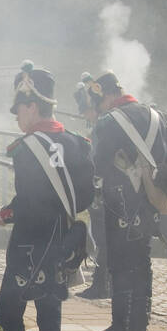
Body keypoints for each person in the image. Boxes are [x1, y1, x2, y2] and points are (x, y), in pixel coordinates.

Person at [0, 62, 93, 331]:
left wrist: (4, 214)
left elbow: (29, 202)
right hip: (62, 240)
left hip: (30, 243)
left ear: (32, 105)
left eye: (19, 109)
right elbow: (87, 196)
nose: (17, 117)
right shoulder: (78, 143)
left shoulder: (27, 148)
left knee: (6, 311)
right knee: (50, 312)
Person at [85, 72, 167, 331]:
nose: (99, 108)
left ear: (105, 96)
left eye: (98, 102)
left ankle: (121, 325)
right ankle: (139, 327)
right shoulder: (156, 117)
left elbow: (98, 164)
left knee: (119, 264)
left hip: (119, 203)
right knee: (142, 262)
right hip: (149, 202)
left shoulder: (108, 121)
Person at [74, 73, 110, 300]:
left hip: (103, 194)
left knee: (103, 239)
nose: (85, 115)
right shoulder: (100, 127)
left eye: (86, 110)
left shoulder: (102, 128)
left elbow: (97, 162)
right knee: (102, 239)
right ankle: (105, 282)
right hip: (102, 193)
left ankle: (102, 284)